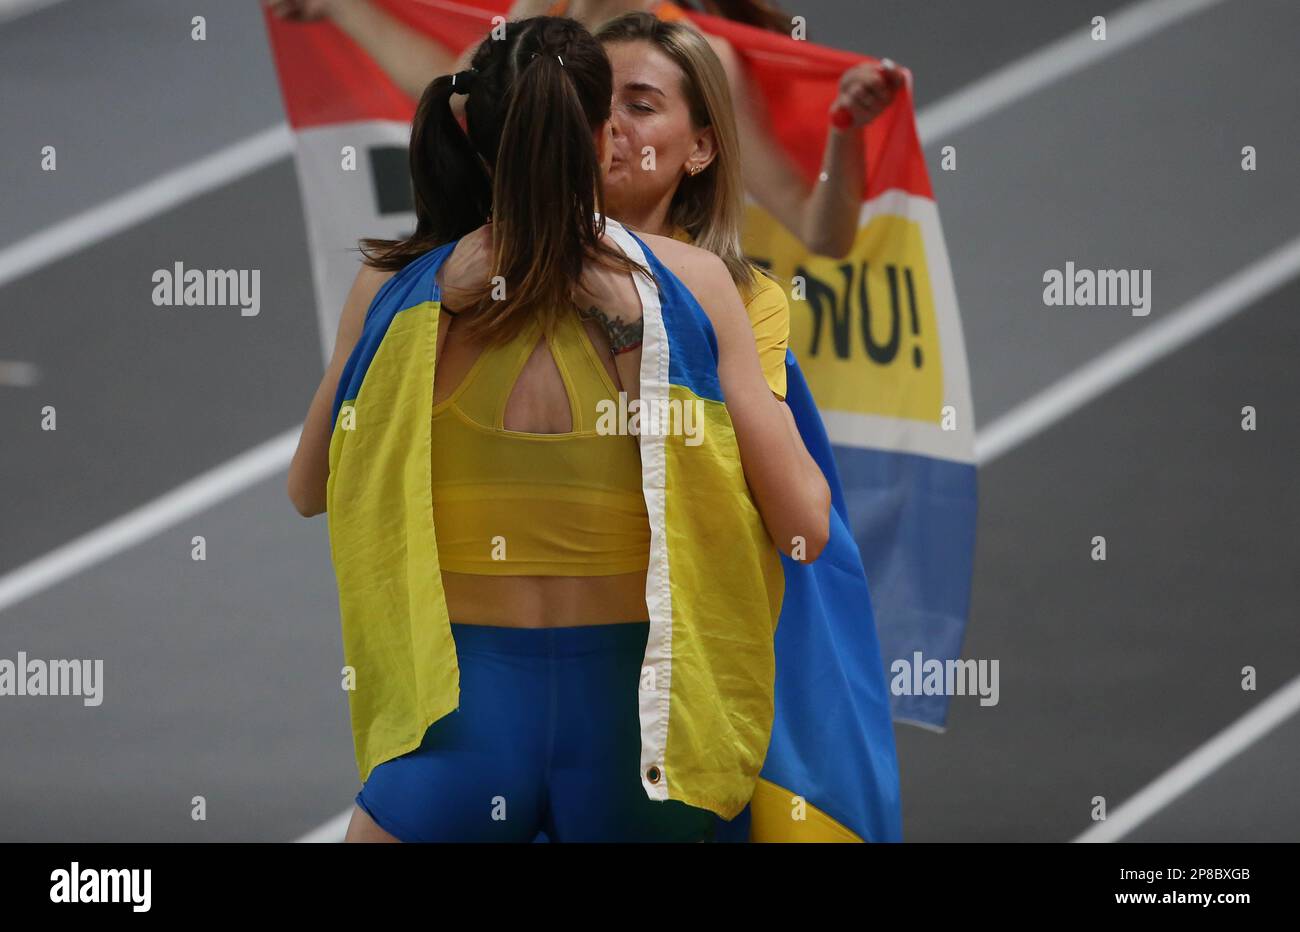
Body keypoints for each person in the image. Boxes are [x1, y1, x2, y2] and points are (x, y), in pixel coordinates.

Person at [286, 15, 831, 842]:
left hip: (454, 726)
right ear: (607, 134)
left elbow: (307, 488)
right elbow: (804, 526)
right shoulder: (695, 289)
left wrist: (431, 308)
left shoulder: (398, 290)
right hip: (639, 731)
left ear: (466, 129)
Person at [264, 0, 903, 258]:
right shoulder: (541, 34)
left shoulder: (697, 57)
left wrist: (845, 129)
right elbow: (456, 91)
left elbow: (822, 233)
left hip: (661, 312)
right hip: (548, 286)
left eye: (640, 106)